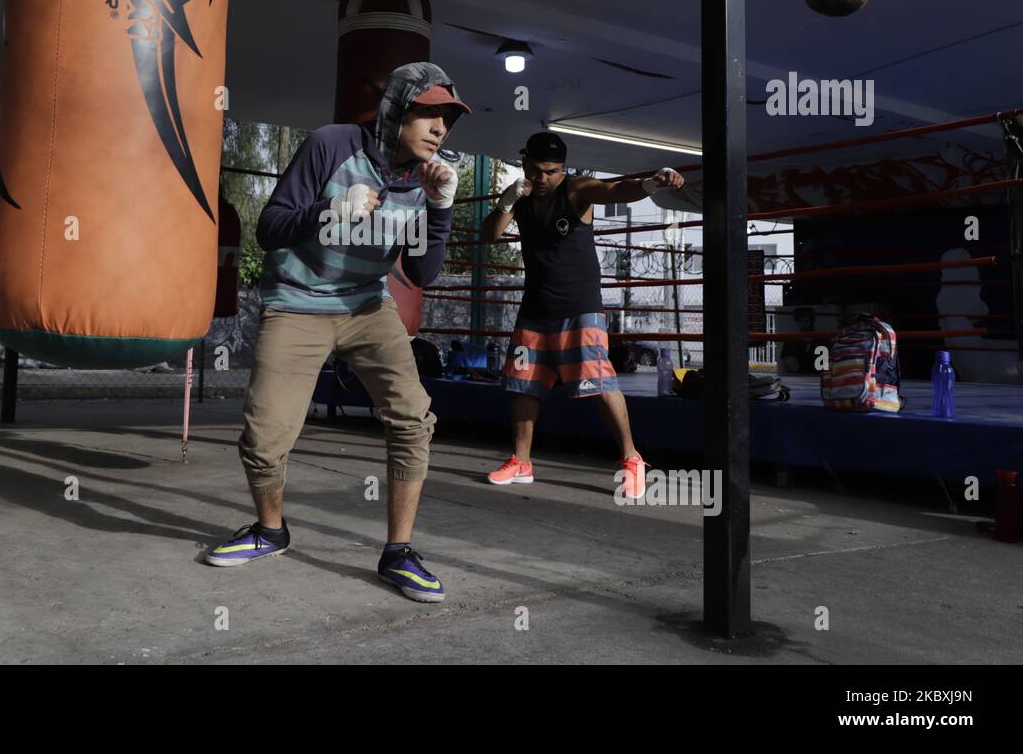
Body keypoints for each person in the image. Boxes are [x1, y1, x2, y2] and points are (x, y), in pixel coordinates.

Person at [206, 62, 468, 603]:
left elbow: (420, 274)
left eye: (448, 117)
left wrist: (440, 209)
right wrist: (331, 209)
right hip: (297, 305)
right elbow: (270, 226)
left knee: (413, 418)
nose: (440, 128)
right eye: (428, 112)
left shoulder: (427, 177)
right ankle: (270, 531)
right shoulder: (331, 145)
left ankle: (399, 551)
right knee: (265, 435)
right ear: (396, 108)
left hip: (368, 306)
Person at [479, 131, 684, 496]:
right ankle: (522, 461)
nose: (543, 178)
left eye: (552, 171)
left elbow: (615, 192)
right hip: (535, 310)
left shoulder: (576, 190)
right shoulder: (523, 199)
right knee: (523, 385)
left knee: (600, 385)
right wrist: (506, 202)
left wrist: (653, 181)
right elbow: (489, 236)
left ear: (563, 169)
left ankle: (631, 458)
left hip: (579, 309)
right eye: (536, 170)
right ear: (525, 165)